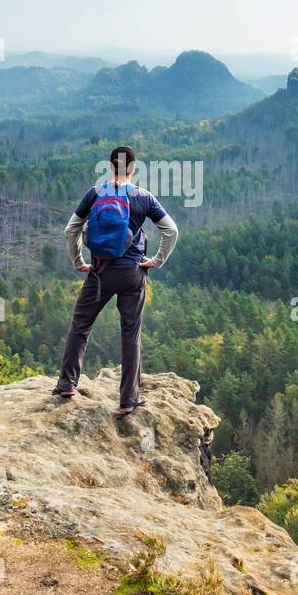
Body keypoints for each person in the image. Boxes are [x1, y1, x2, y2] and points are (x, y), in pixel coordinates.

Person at [53, 146, 179, 414]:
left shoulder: (95, 193)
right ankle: (128, 400)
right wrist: (156, 261)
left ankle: (66, 384)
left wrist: (78, 262)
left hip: (99, 272)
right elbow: (171, 231)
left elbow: (70, 230)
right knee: (130, 334)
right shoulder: (143, 197)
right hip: (133, 272)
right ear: (133, 169)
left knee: (81, 324)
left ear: (111, 167)